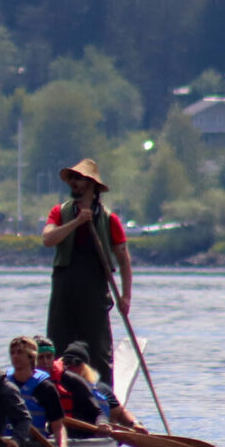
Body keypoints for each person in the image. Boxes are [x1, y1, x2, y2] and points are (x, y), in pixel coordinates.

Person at [41, 157, 132, 387]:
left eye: (78, 179)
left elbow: (123, 258)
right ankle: (57, 393)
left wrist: (125, 296)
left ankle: (104, 401)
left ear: (91, 185)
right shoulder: (59, 213)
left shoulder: (109, 219)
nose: (73, 183)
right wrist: (76, 222)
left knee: (98, 349)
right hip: (65, 287)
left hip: (94, 287)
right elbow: (48, 239)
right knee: (58, 343)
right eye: (71, 178)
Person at [32, 341, 108, 447]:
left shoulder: (72, 381)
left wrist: (102, 423)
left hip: (73, 435)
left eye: (49, 356)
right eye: (40, 358)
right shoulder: (22, 380)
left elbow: (98, 413)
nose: (46, 361)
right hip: (37, 436)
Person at [6, 335, 50, 429]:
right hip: (7, 440)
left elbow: (58, 425)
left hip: (36, 441)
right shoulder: (3, 383)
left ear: (31, 357)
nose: (15, 356)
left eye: (20, 352)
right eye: (12, 353)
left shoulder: (45, 387)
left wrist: (62, 444)